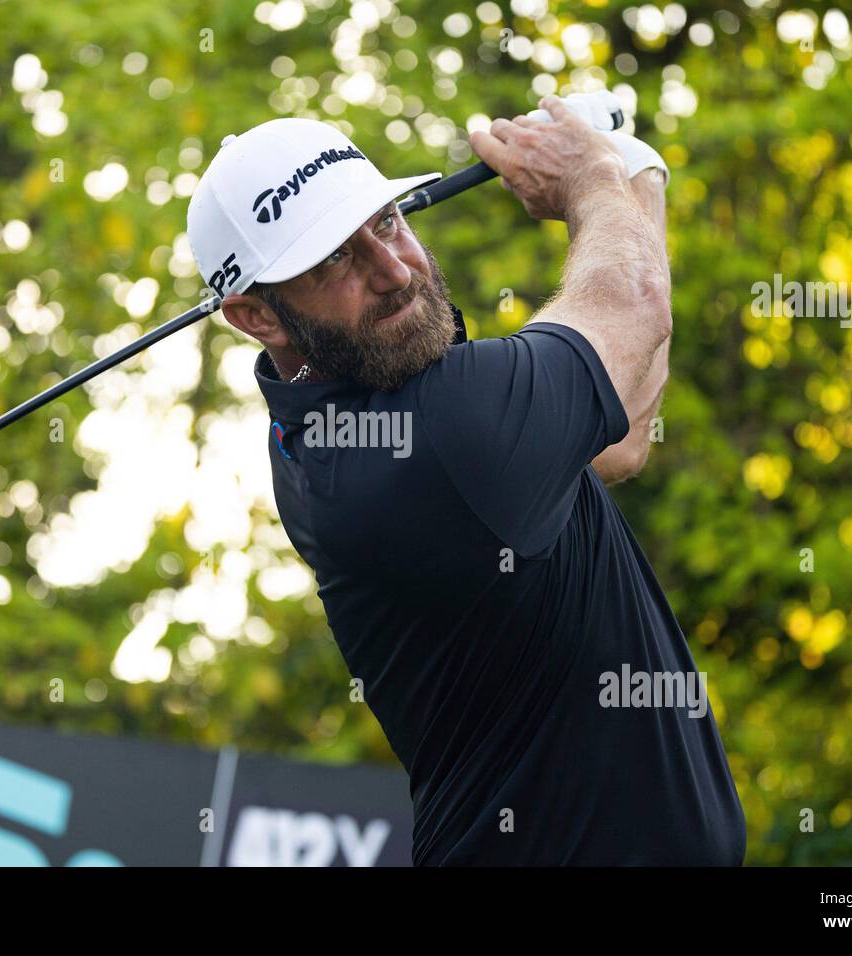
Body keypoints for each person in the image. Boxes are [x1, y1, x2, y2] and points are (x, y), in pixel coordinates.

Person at [185, 96, 746, 865]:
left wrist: (633, 174)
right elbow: (632, 304)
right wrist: (592, 174)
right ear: (257, 317)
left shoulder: (325, 428)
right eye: (334, 261)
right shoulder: (437, 437)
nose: (394, 271)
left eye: (387, 222)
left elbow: (620, 437)